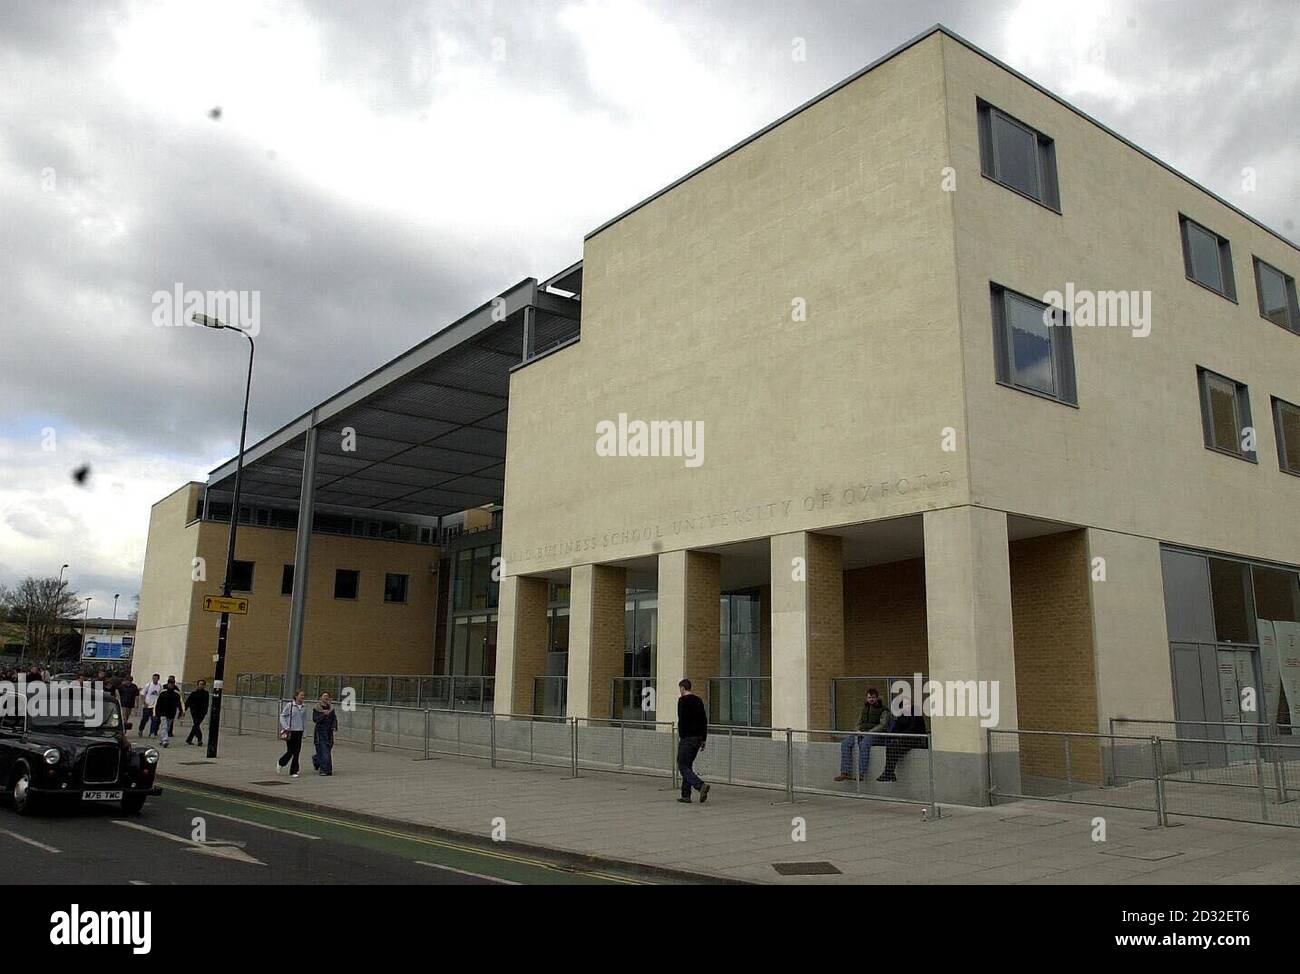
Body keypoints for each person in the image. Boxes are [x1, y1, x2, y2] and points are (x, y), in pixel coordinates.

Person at [835, 687, 890, 781]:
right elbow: (858, 722)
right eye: (869, 697)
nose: (871, 699)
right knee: (845, 743)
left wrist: (869, 733)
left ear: (877, 698)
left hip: (875, 735)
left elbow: (882, 725)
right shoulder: (864, 708)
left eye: (873, 697)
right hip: (862, 732)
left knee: (864, 745)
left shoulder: (884, 710)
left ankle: (861, 773)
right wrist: (858, 730)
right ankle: (845, 772)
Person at [877, 696, 928, 782]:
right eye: (905, 705)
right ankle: (889, 773)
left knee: (894, 747)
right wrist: (894, 737)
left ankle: (888, 773)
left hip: (916, 739)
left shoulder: (916, 713)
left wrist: (899, 737)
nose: (907, 706)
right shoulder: (901, 715)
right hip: (904, 739)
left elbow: (913, 729)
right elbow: (896, 728)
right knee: (891, 747)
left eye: (909, 704)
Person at [675, 678, 710, 804]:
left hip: (687, 738)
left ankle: (700, 785)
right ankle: (686, 795)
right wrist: (704, 739)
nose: (679, 691)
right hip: (698, 738)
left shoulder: (682, 701)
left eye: (680, 689)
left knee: (682, 764)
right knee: (688, 765)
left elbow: (682, 720)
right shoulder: (698, 701)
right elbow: (704, 721)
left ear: (683, 688)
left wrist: (682, 735)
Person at [277, 690, 307, 777]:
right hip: (291, 731)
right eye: (301, 695)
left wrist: (305, 732)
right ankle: (281, 762)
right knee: (290, 751)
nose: (302, 697)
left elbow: (304, 720)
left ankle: (294, 771)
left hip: (299, 731)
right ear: (296, 696)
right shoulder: (290, 705)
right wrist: (286, 727)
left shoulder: (304, 707)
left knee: (297, 752)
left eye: (303, 695)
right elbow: (282, 716)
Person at [312, 692, 338, 776]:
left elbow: (334, 718)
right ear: (320, 698)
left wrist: (334, 726)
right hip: (320, 732)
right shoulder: (317, 708)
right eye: (324, 696)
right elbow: (315, 720)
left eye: (327, 696)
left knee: (327, 748)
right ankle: (325, 770)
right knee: (324, 750)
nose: (326, 698)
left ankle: (316, 759)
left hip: (329, 732)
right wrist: (323, 714)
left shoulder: (331, 708)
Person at [153, 679, 184, 748]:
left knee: (167, 727)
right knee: (164, 726)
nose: (171, 685)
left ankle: (161, 739)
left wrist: (181, 711)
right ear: (168, 684)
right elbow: (158, 703)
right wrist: (156, 713)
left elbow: (179, 703)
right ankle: (165, 740)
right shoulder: (163, 693)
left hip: (171, 713)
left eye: (172, 684)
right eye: (170, 684)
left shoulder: (176, 694)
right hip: (163, 712)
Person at [184, 679, 210, 745]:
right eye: (200, 684)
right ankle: (199, 739)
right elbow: (188, 702)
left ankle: (189, 739)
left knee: (196, 725)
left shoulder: (206, 693)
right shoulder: (193, 694)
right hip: (194, 712)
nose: (201, 686)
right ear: (197, 685)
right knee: (196, 724)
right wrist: (183, 710)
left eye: (203, 684)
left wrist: (205, 711)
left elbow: (206, 703)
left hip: (202, 712)